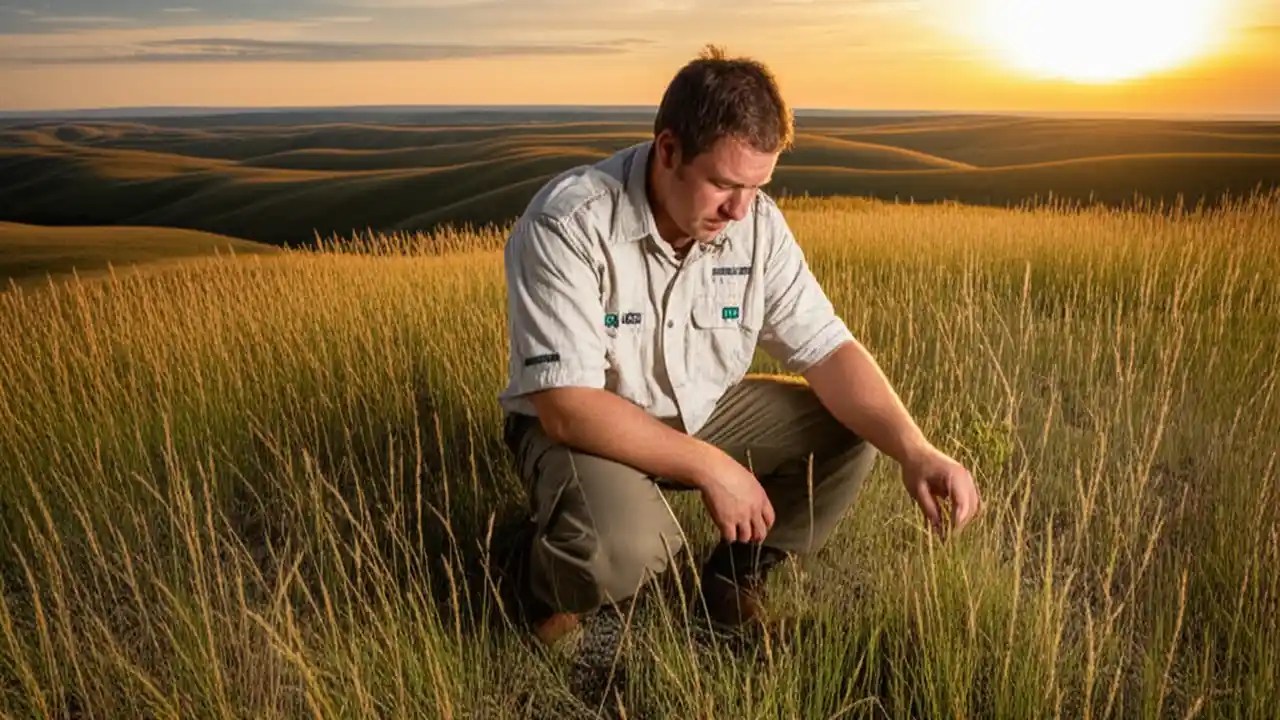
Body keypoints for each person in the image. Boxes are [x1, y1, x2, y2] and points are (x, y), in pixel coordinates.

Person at [498, 45, 981, 648]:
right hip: (583, 429)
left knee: (850, 426)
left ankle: (731, 584)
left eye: (757, 186)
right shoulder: (569, 224)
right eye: (724, 184)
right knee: (632, 549)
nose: (740, 209)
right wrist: (711, 466)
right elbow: (567, 407)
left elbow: (829, 349)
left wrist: (916, 450)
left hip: (698, 410)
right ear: (668, 150)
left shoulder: (757, 224)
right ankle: (534, 579)